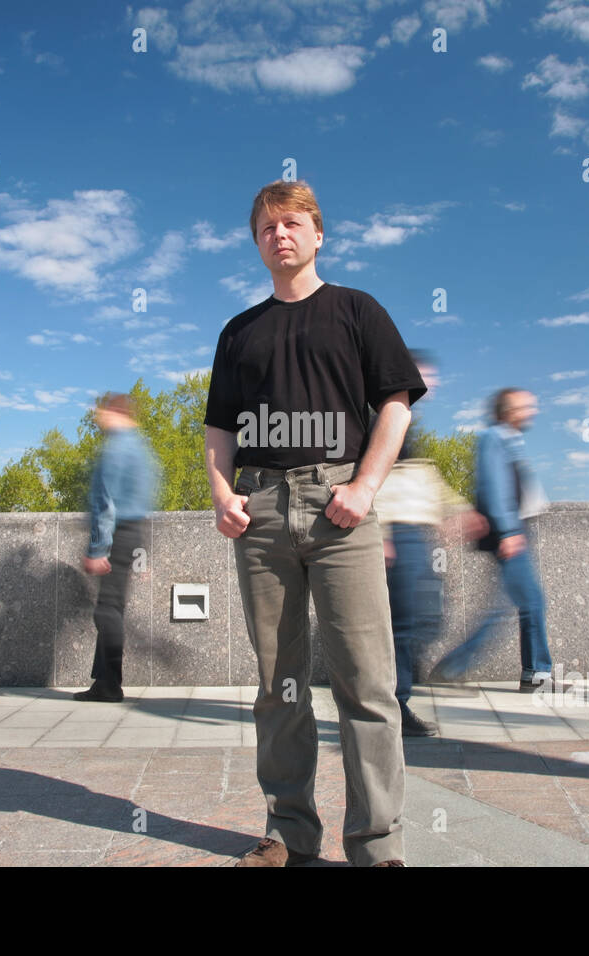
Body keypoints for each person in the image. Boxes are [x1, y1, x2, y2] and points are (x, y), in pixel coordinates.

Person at [204, 180, 425, 867]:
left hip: (339, 507)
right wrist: (220, 492)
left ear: (319, 233)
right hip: (262, 511)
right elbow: (218, 429)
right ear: (257, 242)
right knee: (280, 685)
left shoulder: (357, 311)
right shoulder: (240, 331)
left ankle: (376, 845)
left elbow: (396, 405)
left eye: (294, 223)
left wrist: (364, 485)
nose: (281, 235)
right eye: (268, 228)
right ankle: (290, 837)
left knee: (366, 681)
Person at [374, 350, 484, 736]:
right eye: (426, 375)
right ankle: (396, 706)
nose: (431, 383)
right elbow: (371, 470)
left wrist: (456, 507)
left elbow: (417, 474)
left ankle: (394, 697)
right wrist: (381, 532)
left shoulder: (406, 418)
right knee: (405, 623)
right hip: (398, 530)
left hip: (414, 531)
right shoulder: (384, 415)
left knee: (425, 619)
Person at [432, 389, 555, 691]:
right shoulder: (495, 439)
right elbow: (494, 487)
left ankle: (533, 673)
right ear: (508, 410)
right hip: (511, 533)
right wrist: (509, 531)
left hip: (517, 530)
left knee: (519, 604)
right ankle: (453, 669)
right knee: (518, 605)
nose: (531, 411)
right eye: (525, 406)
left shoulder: (510, 440)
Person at [74, 392, 159, 703]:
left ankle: (110, 685)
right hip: (133, 534)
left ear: (113, 413)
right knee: (112, 610)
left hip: (116, 534)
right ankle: (103, 682)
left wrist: (97, 549)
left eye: (100, 413)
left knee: (107, 611)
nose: (97, 419)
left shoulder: (116, 447)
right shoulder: (141, 446)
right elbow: (146, 499)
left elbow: (105, 502)